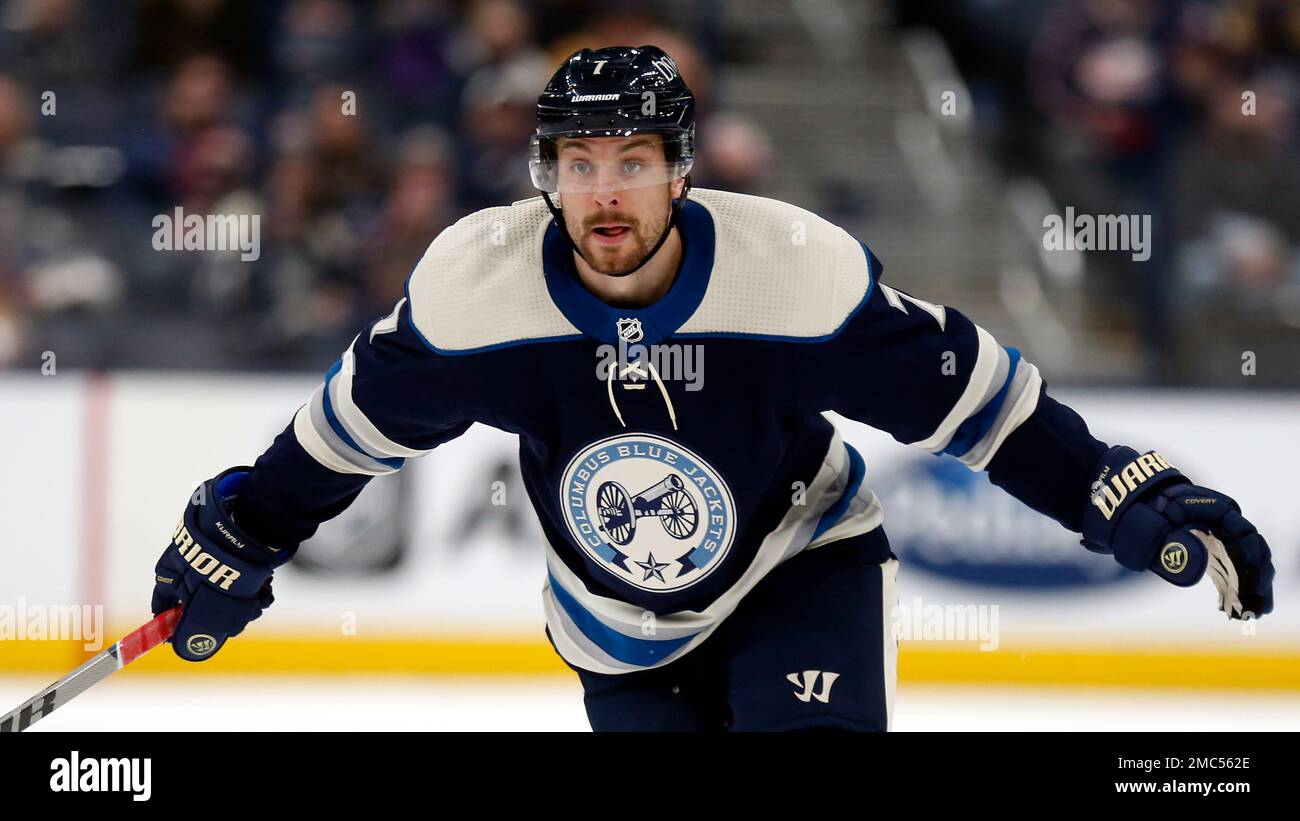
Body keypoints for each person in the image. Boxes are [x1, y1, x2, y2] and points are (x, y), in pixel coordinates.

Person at [151, 45, 1274, 732]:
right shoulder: (477, 295)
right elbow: (348, 435)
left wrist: (1116, 489)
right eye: (579, 164)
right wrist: (242, 528)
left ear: (682, 172)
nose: (604, 192)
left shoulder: (792, 277)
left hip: (799, 559)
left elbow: (977, 404)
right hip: (612, 628)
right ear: (545, 173)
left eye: (631, 162)